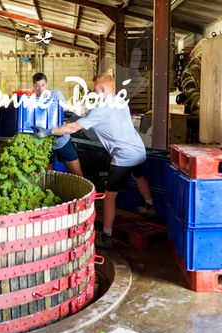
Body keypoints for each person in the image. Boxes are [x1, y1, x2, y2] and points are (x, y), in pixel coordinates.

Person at [33, 73, 155, 249]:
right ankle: (150, 206)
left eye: (96, 91)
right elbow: (92, 117)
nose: (94, 95)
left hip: (123, 157)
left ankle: (107, 236)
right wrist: (75, 115)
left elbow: (75, 128)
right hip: (138, 150)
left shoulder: (100, 110)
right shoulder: (120, 101)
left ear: (104, 90)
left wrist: (49, 131)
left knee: (109, 197)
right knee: (138, 176)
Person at [31, 73, 83, 177]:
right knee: (48, 176)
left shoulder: (56, 94)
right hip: (45, 144)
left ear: (47, 84)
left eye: (43, 85)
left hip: (62, 141)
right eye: (37, 86)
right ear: (33, 86)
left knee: (77, 174)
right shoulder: (32, 100)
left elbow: (66, 110)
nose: (40, 89)